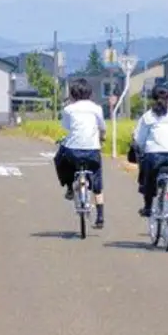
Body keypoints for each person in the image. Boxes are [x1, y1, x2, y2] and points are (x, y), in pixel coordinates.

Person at [55, 78, 107, 228]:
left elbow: (66, 127)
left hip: (73, 150)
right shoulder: (97, 108)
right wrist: (102, 137)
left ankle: (70, 188)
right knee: (97, 178)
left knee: (60, 160)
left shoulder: (68, 109)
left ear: (72, 94)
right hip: (92, 150)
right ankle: (100, 217)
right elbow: (102, 127)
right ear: (89, 93)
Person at [132, 84, 168, 218]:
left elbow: (140, 140)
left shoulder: (148, 116)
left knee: (149, 182)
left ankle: (148, 207)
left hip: (154, 156)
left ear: (153, 98)